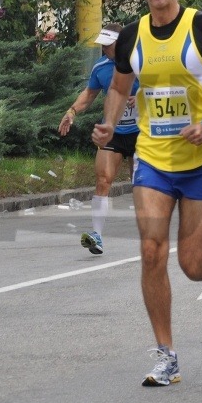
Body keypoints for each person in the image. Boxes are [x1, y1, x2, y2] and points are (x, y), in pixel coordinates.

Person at [91, 0, 202, 386]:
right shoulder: (131, 36)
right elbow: (120, 86)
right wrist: (108, 124)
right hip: (153, 159)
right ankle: (166, 354)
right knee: (151, 251)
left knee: (191, 261)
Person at [58, 23, 139, 255]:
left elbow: (163, 87)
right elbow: (90, 93)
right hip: (112, 132)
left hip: (142, 133)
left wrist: (142, 96)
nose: (105, 49)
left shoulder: (140, 64)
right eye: (102, 45)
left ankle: (152, 232)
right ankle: (97, 235)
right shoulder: (101, 67)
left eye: (109, 45)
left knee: (142, 186)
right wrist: (72, 111)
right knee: (103, 180)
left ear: (121, 43)